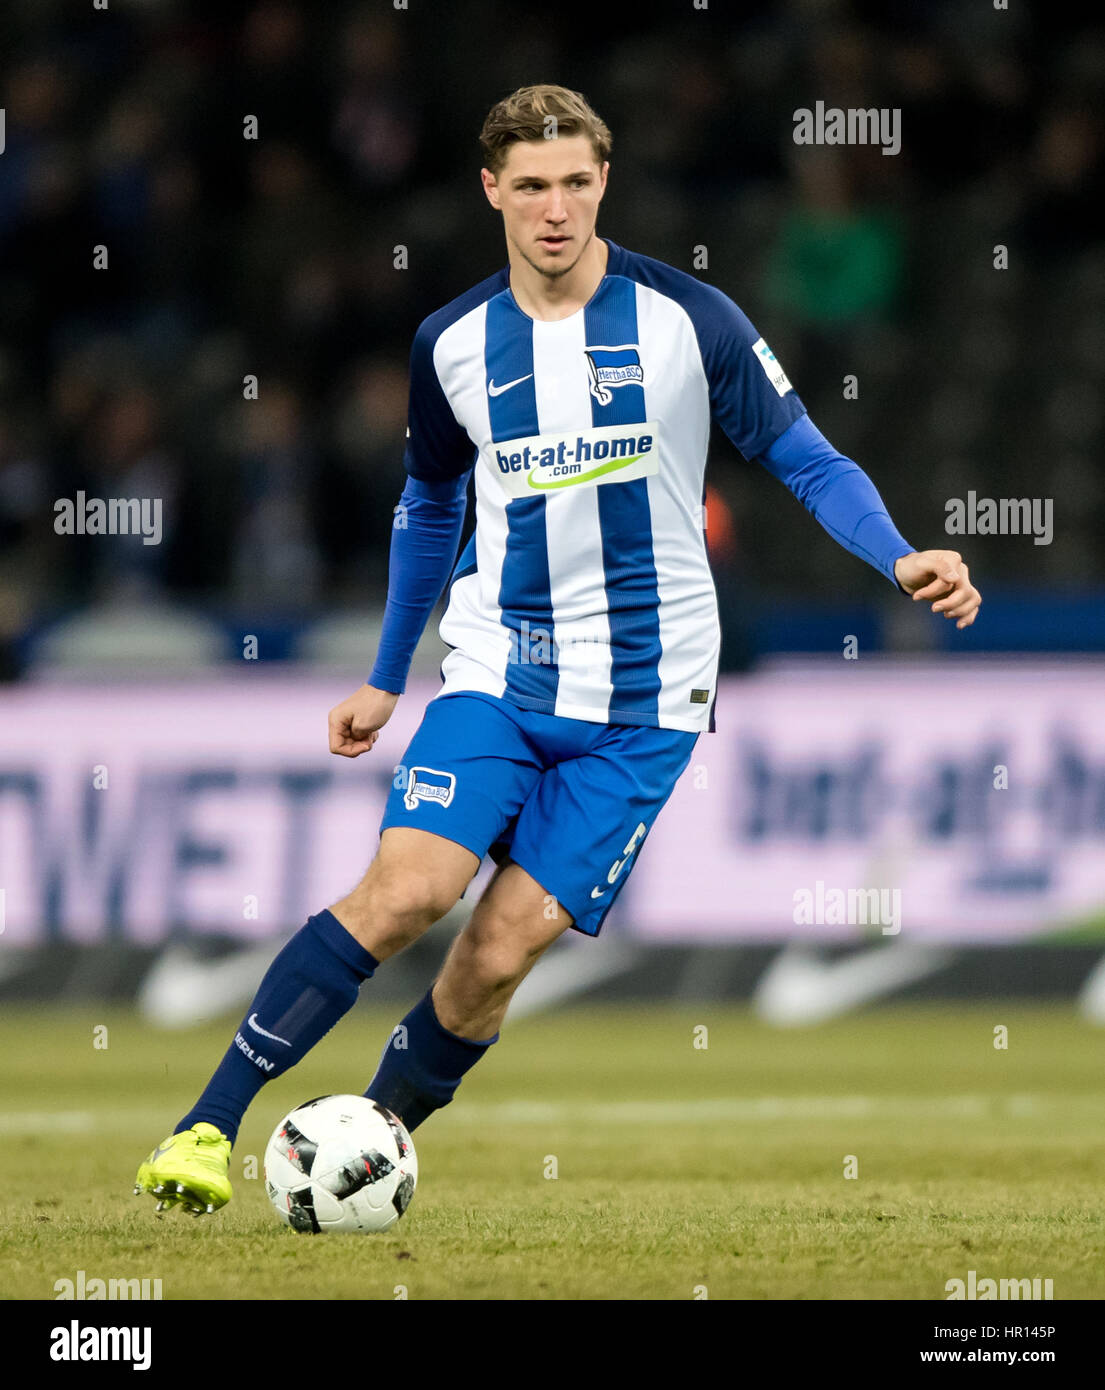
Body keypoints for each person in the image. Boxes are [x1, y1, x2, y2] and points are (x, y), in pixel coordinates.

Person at [135, 83, 981, 1215]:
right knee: (406, 891)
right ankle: (204, 1127)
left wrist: (898, 557)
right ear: (491, 189)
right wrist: (388, 677)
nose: (554, 208)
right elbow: (429, 512)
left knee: (495, 955)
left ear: (603, 184)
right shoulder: (453, 344)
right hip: (501, 673)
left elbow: (809, 460)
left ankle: (372, 1140)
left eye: (576, 182)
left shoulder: (691, 321)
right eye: (530, 185)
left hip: (648, 702)